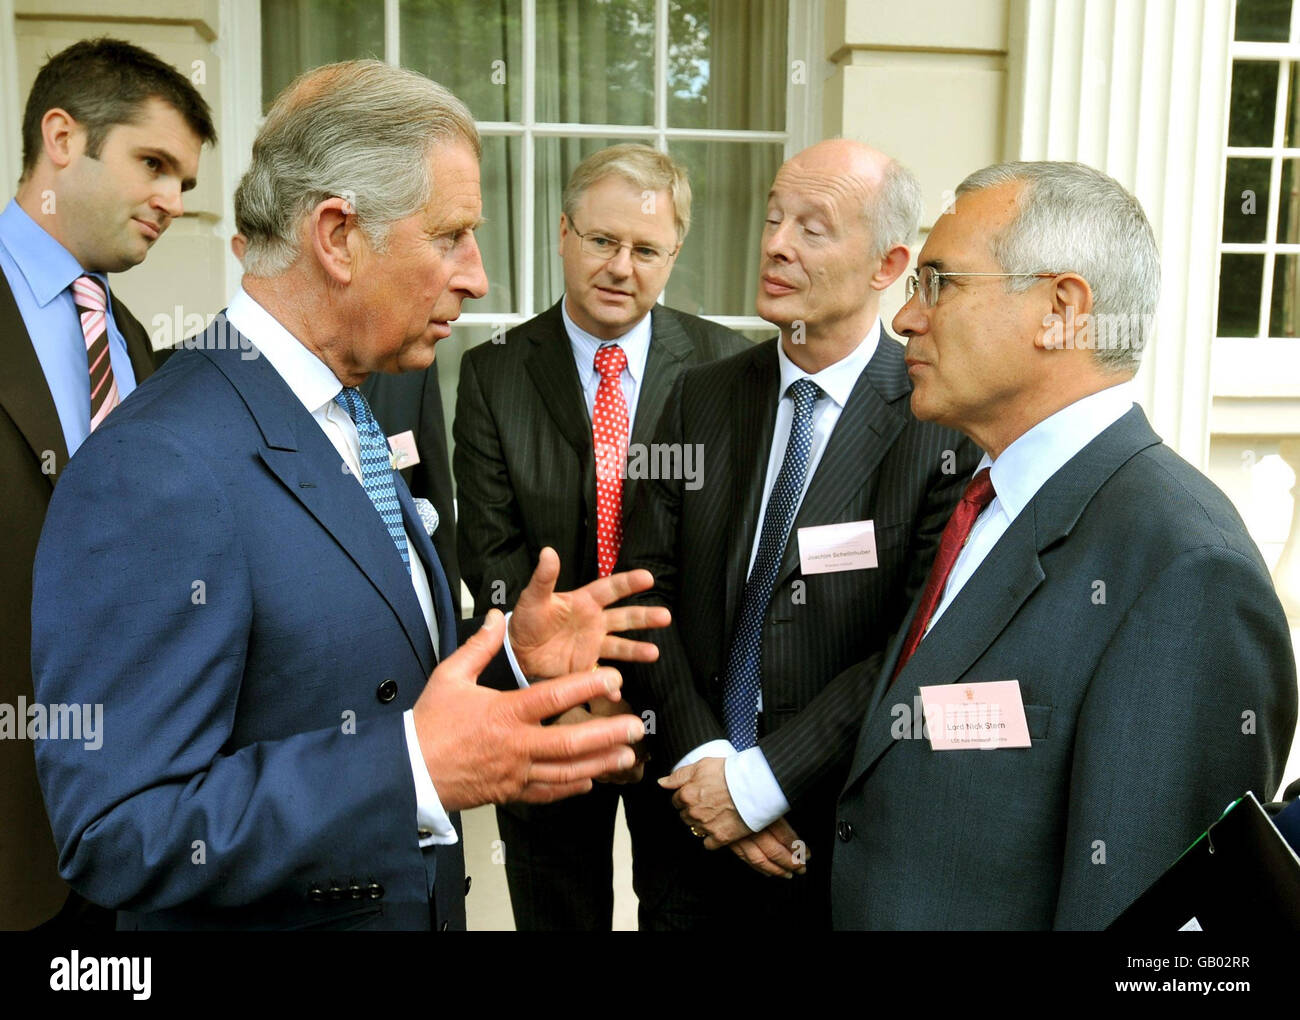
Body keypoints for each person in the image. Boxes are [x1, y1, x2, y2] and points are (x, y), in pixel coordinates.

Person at [30, 59, 664, 932]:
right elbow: (118, 830)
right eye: (451, 236)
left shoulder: (348, 409)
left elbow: (360, 679)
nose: (477, 276)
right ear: (337, 235)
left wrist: (511, 662)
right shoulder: (156, 463)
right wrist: (411, 772)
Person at [830, 160, 1299, 929]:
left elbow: (1141, 929)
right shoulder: (982, 497)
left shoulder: (1187, 569)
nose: (906, 317)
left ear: (1060, 310)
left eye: (939, 283)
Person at [618, 139, 979, 929]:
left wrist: (759, 787)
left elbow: (913, 644)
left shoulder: (939, 427)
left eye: (812, 229)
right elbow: (645, 593)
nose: (776, 243)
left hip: (826, 842)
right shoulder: (697, 397)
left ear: (888, 266)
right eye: (773, 217)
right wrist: (710, 766)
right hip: (685, 826)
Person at [453, 143, 749, 930]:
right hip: (549, 714)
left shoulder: (730, 366)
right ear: (563, 233)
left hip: (690, 718)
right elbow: (491, 557)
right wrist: (561, 702)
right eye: (602, 240)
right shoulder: (494, 372)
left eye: (646, 249)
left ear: (674, 254)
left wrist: (678, 714)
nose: (621, 267)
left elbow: (732, 559)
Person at [0, 37, 215, 931]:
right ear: (62, 138)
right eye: (152, 164)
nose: (173, 201)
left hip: (126, 838)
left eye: (184, 181)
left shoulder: (133, 343)